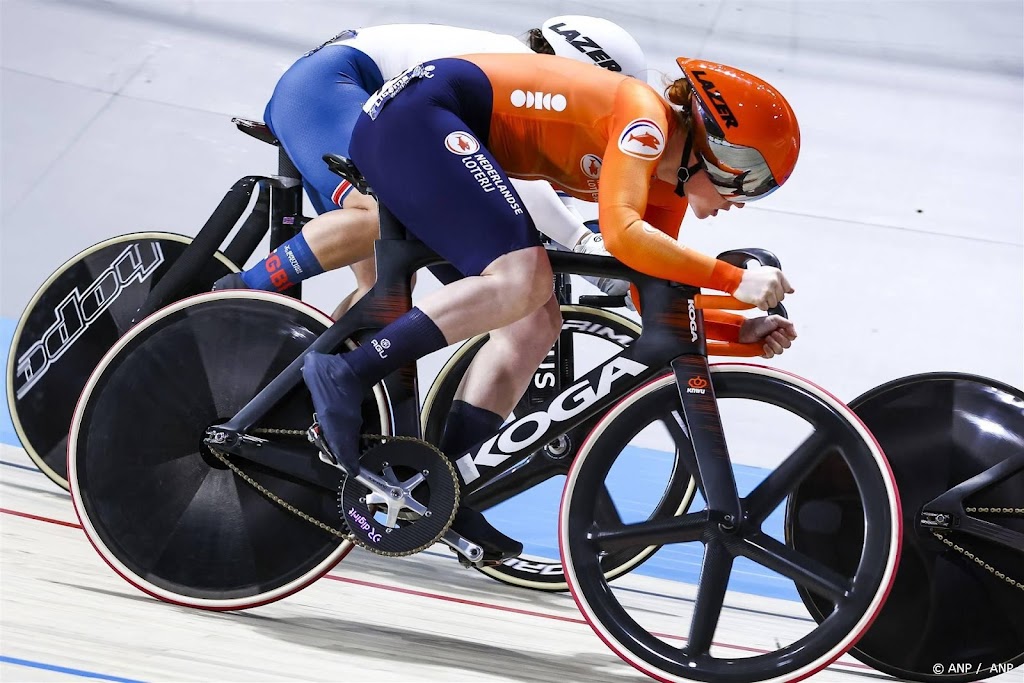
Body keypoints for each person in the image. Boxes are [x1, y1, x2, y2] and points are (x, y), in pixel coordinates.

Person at [302, 54, 801, 562]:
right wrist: (734, 279)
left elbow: (646, 290)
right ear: (713, 143)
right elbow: (624, 236)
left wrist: (736, 332)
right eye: (748, 176)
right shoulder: (646, 122)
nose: (743, 197)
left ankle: (440, 485)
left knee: (536, 322)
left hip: (426, 124)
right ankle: (345, 371)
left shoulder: (664, 181)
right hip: (419, 116)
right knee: (525, 278)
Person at [217, 17, 647, 314]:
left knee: (385, 295)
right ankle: (232, 295)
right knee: (375, 216)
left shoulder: (522, 77)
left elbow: (515, 181)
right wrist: (583, 244)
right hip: (326, 89)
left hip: (356, 106)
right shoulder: (516, 64)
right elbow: (517, 184)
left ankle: (292, 388)